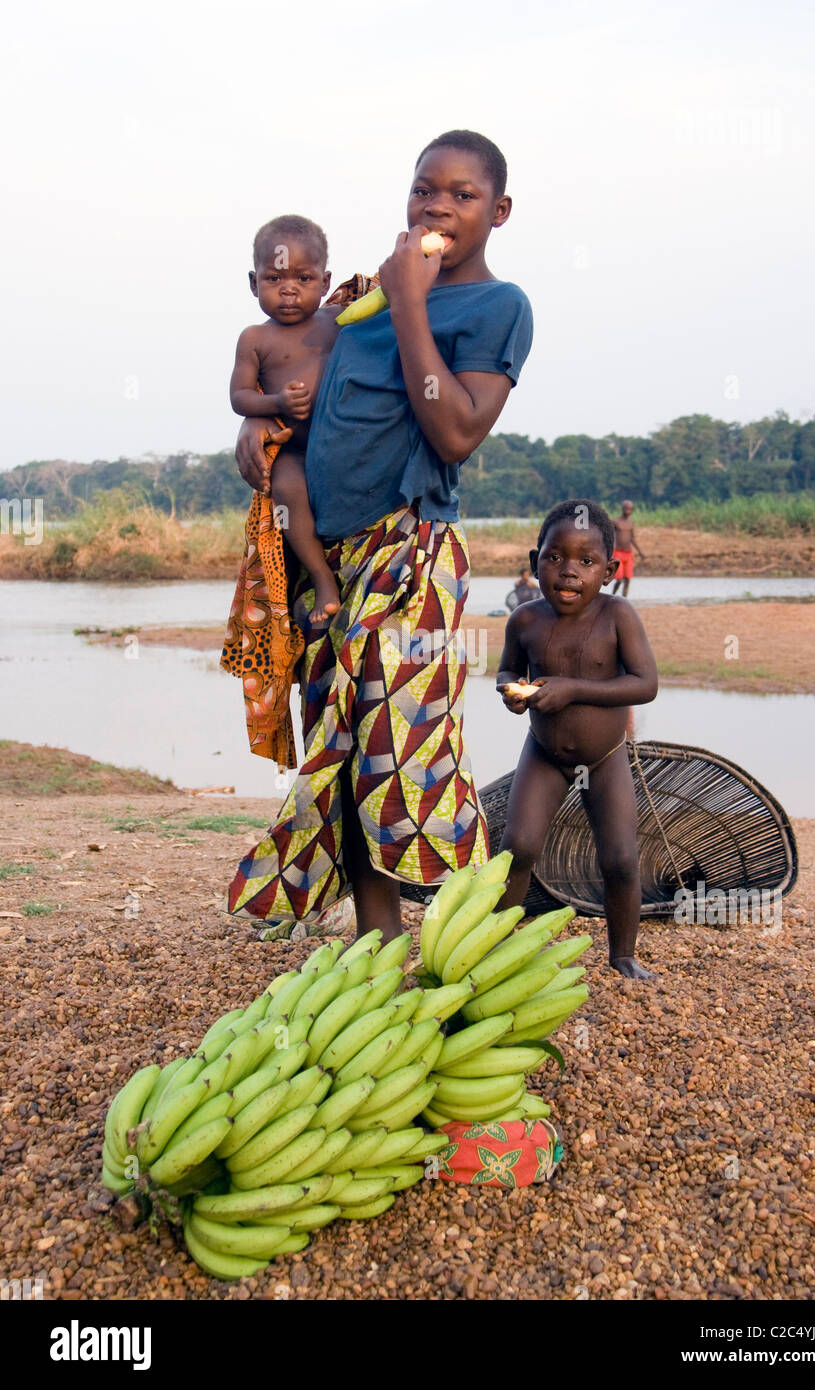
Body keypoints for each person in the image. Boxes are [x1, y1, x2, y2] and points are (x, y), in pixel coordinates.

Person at [227, 130, 534, 943]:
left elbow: (457, 430)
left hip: (410, 553)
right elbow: (293, 391)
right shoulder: (356, 300)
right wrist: (256, 438)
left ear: (498, 211)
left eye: (462, 194)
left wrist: (409, 300)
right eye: (424, 188)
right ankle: (377, 949)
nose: (437, 204)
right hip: (327, 561)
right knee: (344, 751)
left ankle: (470, 945)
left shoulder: (496, 307)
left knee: (407, 751)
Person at [495, 499, 658, 979]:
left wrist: (572, 689)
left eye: (586, 562)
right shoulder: (524, 620)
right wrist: (511, 691)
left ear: (608, 571)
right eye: (555, 557)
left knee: (621, 858)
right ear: (534, 561)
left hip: (604, 759)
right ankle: (497, 945)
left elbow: (644, 684)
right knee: (518, 847)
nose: (569, 572)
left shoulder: (617, 615)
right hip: (544, 754)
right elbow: (508, 668)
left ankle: (623, 954)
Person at [229, 215, 341, 625]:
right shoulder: (255, 339)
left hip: (341, 445)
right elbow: (239, 397)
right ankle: (321, 578)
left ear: (326, 282)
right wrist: (275, 401)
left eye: (304, 279)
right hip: (294, 446)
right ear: (254, 283)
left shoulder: (339, 321)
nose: (289, 290)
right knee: (286, 488)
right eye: (275, 279)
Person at [611, 499, 645, 598]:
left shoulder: (631, 522)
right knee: (619, 579)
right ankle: (612, 597)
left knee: (628, 579)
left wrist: (640, 552)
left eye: (630, 509)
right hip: (618, 553)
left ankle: (624, 600)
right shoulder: (615, 522)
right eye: (626, 508)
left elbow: (632, 538)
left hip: (628, 553)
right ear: (623, 509)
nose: (628, 511)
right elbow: (611, 537)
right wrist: (609, 551)